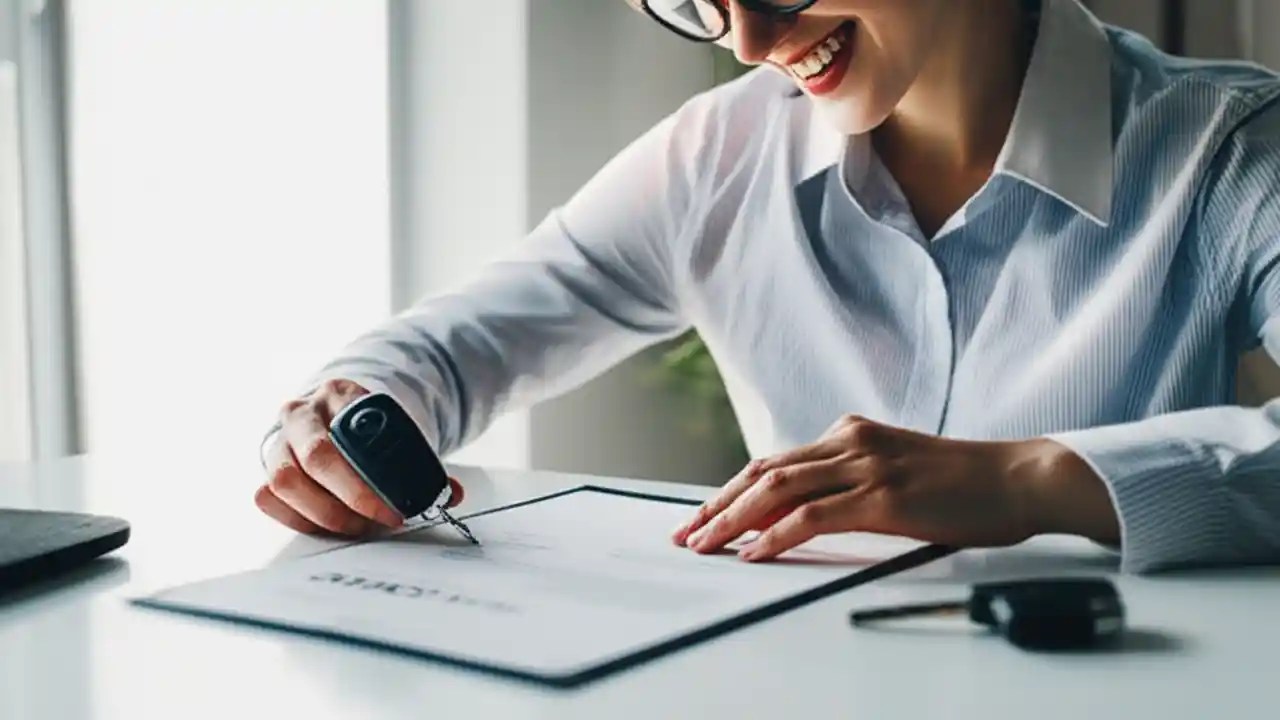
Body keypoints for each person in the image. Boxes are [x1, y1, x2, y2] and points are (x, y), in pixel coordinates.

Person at [256, 0, 1280, 573]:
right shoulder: (714, 157)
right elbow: (449, 348)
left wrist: (1019, 479)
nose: (748, 40)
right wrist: (341, 409)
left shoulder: (1229, 151)